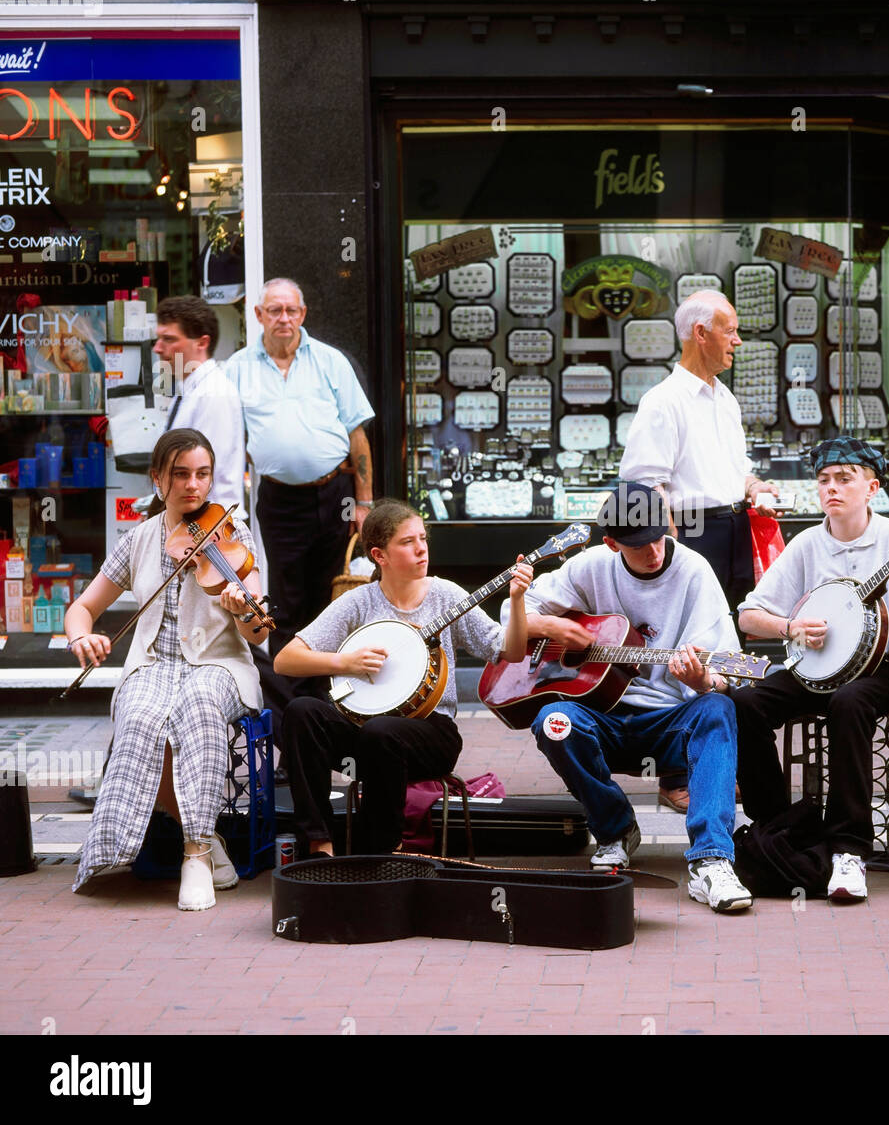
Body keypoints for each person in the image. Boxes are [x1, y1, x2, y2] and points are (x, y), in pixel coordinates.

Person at [730, 437, 889, 903]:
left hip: (881, 672)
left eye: (845, 479)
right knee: (742, 702)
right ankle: (780, 825)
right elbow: (748, 615)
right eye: (824, 481)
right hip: (814, 671)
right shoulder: (806, 545)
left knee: (848, 702)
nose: (832, 489)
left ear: (872, 488)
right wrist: (791, 625)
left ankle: (848, 851)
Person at [506, 481, 753, 912]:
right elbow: (516, 615)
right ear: (611, 543)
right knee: (553, 721)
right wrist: (553, 628)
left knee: (718, 707)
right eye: (639, 546)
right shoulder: (591, 566)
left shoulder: (695, 572)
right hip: (602, 714)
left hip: (670, 722)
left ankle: (712, 859)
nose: (654, 552)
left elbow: (727, 673)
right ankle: (615, 830)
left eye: (659, 538)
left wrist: (703, 682)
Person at [65, 429, 267, 911]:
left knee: (197, 707)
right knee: (139, 714)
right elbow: (83, 607)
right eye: (180, 474)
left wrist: (242, 610)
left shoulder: (232, 538)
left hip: (219, 664)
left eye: (202, 474)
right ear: (158, 479)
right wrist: (81, 636)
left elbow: (259, 634)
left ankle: (195, 857)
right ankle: (200, 838)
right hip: (153, 663)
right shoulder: (138, 539)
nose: (193, 485)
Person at [273, 499, 532, 857]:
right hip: (366, 733)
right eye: (408, 542)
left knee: (383, 732)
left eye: (423, 538)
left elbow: (512, 652)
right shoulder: (359, 601)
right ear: (380, 555)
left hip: (431, 733)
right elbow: (285, 660)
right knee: (302, 711)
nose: (422, 548)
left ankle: (378, 853)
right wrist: (345, 662)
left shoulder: (446, 594)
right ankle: (320, 845)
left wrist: (517, 599)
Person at [619, 289, 779, 812]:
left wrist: (754, 487)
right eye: (729, 330)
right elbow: (645, 484)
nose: (738, 339)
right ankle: (674, 775)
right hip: (688, 534)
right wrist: (670, 554)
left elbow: (734, 467)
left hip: (733, 529)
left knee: (726, 649)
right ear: (700, 334)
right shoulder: (662, 401)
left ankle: (721, 762)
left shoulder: (724, 397)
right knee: (681, 647)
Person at [225, 278, 375, 662]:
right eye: (274, 310)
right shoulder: (238, 368)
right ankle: (290, 701)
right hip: (279, 499)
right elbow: (226, 440)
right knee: (286, 598)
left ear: (303, 314)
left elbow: (357, 436)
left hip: (334, 494)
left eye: (291, 310)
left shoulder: (330, 361)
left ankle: (331, 696)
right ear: (259, 315)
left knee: (332, 595)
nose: (284, 318)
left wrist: (364, 504)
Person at [153, 295, 246, 516]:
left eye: (169, 339)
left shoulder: (213, 394)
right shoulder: (190, 390)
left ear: (202, 343)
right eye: (158, 338)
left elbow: (201, 479)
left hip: (207, 531)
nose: (158, 348)